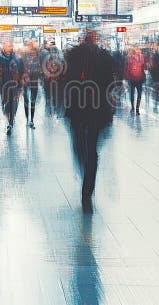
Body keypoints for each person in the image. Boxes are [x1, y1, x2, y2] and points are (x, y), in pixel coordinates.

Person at [64, 30, 115, 212]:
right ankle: (88, 189)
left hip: (77, 107)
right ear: (95, 40)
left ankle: (81, 159)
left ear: (82, 39)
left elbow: (64, 80)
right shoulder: (104, 56)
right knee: (92, 147)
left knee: (78, 140)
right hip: (97, 108)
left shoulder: (72, 55)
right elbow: (111, 81)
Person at [0, 40, 24, 136]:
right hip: (3, 86)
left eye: (11, 46)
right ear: (4, 47)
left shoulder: (17, 58)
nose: (10, 48)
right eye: (8, 46)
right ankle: (9, 120)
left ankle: (10, 123)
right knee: (6, 105)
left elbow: (22, 72)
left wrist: (21, 86)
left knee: (14, 105)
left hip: (14, 86)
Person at [21, 39, 41, 129]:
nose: (31, 47)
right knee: (27, 100)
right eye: (30, 45)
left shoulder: (38, 55)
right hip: (26, 80)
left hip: (34, 80)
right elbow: (21, 66)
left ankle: (31, 119)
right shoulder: (24, 55)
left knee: (32, 100)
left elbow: (41, 67)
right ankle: (28, 119)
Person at [125, 47, 147, 115]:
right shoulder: (138, 58)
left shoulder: (131, 58)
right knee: (138, 94)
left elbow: (128, 68)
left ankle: (134, 107)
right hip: (137, 79)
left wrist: (127, 77)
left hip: (134, 79)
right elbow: (144, 68)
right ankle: (135, 108)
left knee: (133, 94)